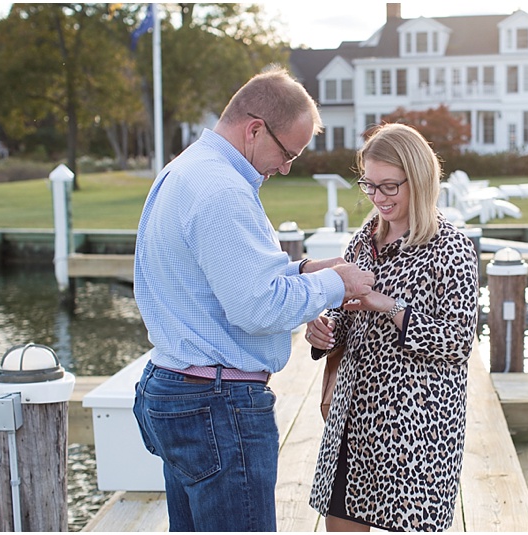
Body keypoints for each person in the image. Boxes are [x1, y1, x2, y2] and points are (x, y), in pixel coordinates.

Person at [131, 65, 375, 532]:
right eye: (288, 153)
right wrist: (338, 284)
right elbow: (258, 307)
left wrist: (304, 270)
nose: (286, 168)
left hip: (175, 387)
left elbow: (222, 282)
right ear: (255, 129)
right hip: (217, 405)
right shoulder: (223, 190)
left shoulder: (186, 171)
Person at [306, 123, 479, 532]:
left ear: (418, 180)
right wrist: (326, 332)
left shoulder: (451, 248)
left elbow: (457, 341)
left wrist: (390, 306)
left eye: (389, 187)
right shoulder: (361, 241)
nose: (378, 198)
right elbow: (346, 320)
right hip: (353, 417)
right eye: (369, 185)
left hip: (417, 428)